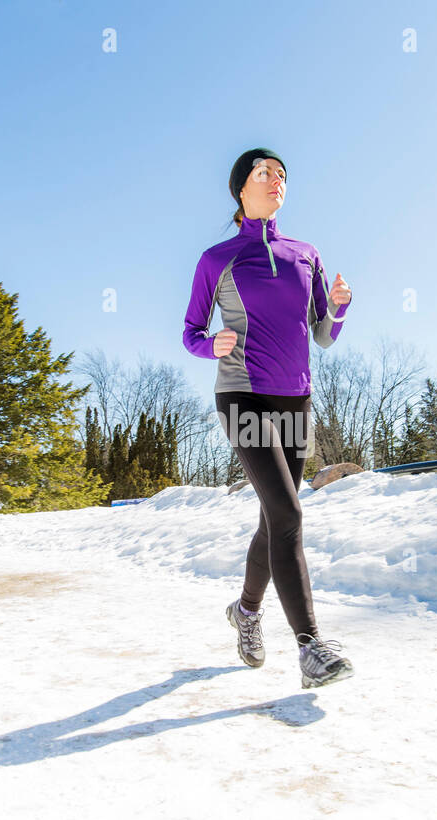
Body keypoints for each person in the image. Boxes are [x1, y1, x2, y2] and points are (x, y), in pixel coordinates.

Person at [181, 146, 355, 689]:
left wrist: (340, 306)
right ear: (241, 188)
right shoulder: (218, 258)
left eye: (282, 174)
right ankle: (311, 647)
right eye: (265, 173)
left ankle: (246, 612)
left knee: (273, 519)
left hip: (294, 400)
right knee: (289, 515)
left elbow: (323, 335)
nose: (276, 180)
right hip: (243, 396)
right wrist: (212, 345)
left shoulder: (306, 253)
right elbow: (189, 332)